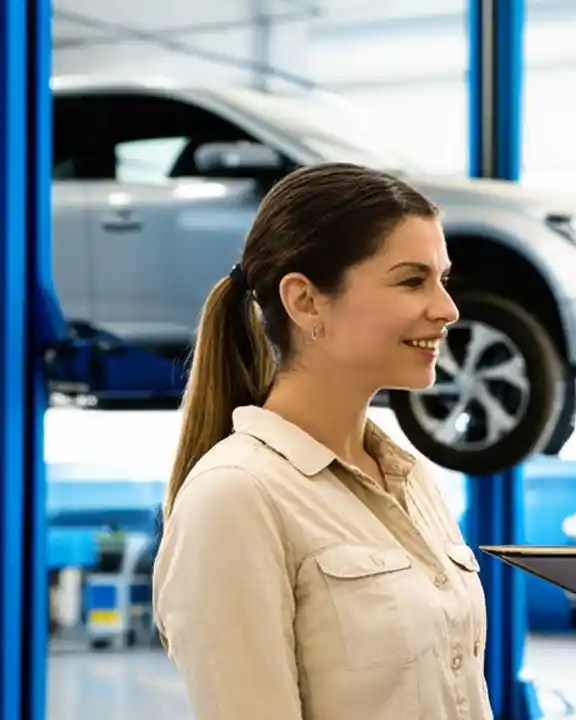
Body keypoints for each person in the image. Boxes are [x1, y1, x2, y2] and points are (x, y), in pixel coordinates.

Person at [152, 162, 492, 720]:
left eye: (442, 280)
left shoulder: (411, 480)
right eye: (412, 280)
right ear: (306, 301)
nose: (447, 309)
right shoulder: (237, 496)